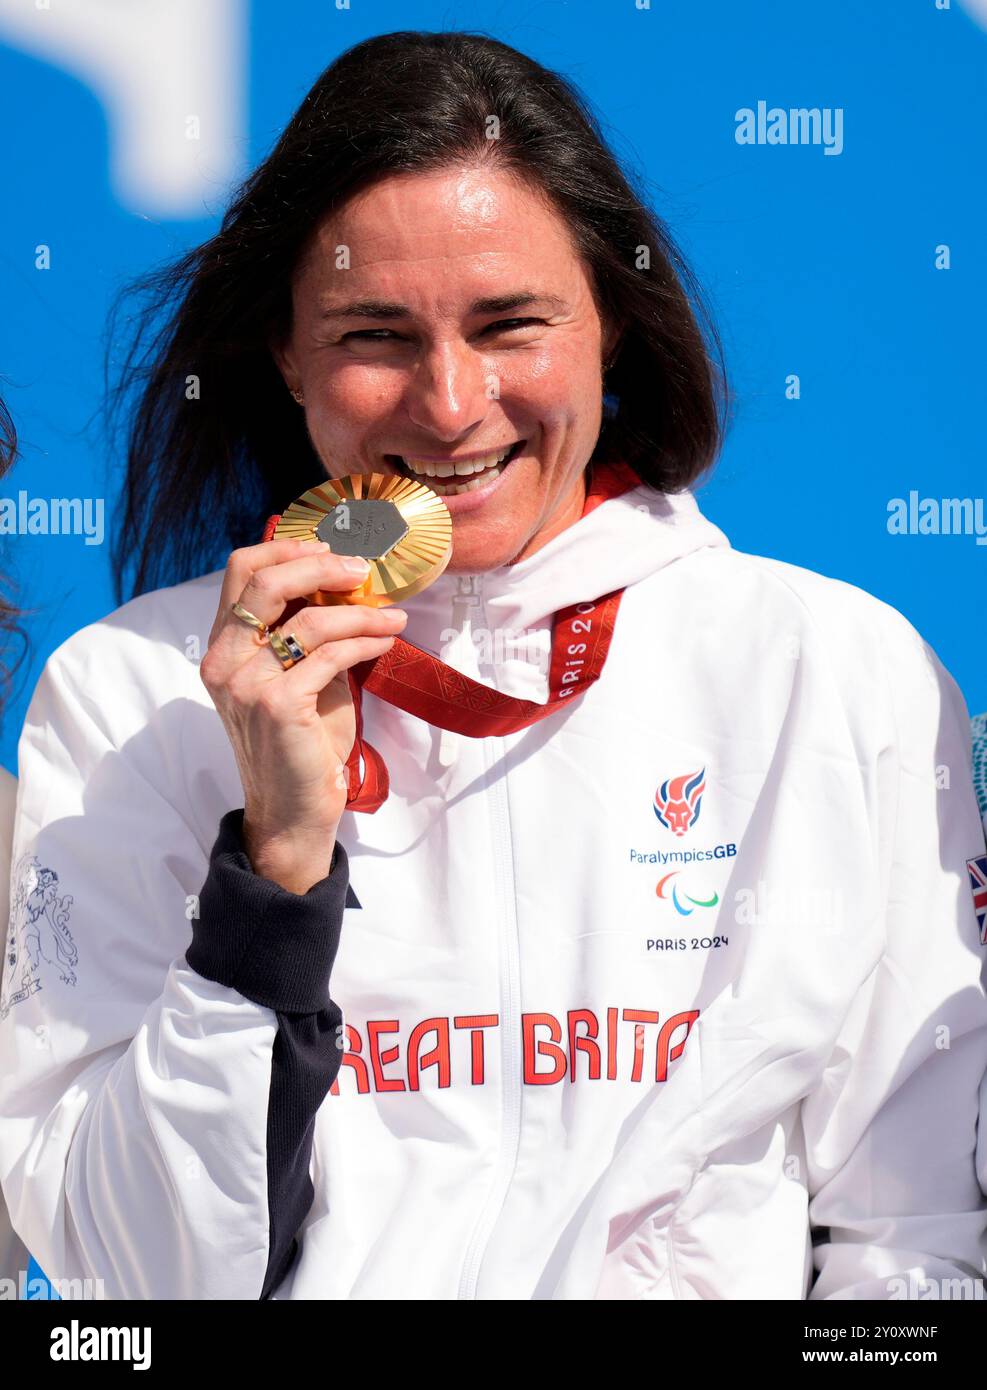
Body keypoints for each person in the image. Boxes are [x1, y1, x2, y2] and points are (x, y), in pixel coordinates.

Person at [1, 30, 986, 1302]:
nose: (453, 403)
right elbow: (133, 1284)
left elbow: (916, 1246)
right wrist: (274, 873)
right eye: (375, 334)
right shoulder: (133, 695)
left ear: (612, 323)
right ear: (285, 351)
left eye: (510, 323)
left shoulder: (835, 669)